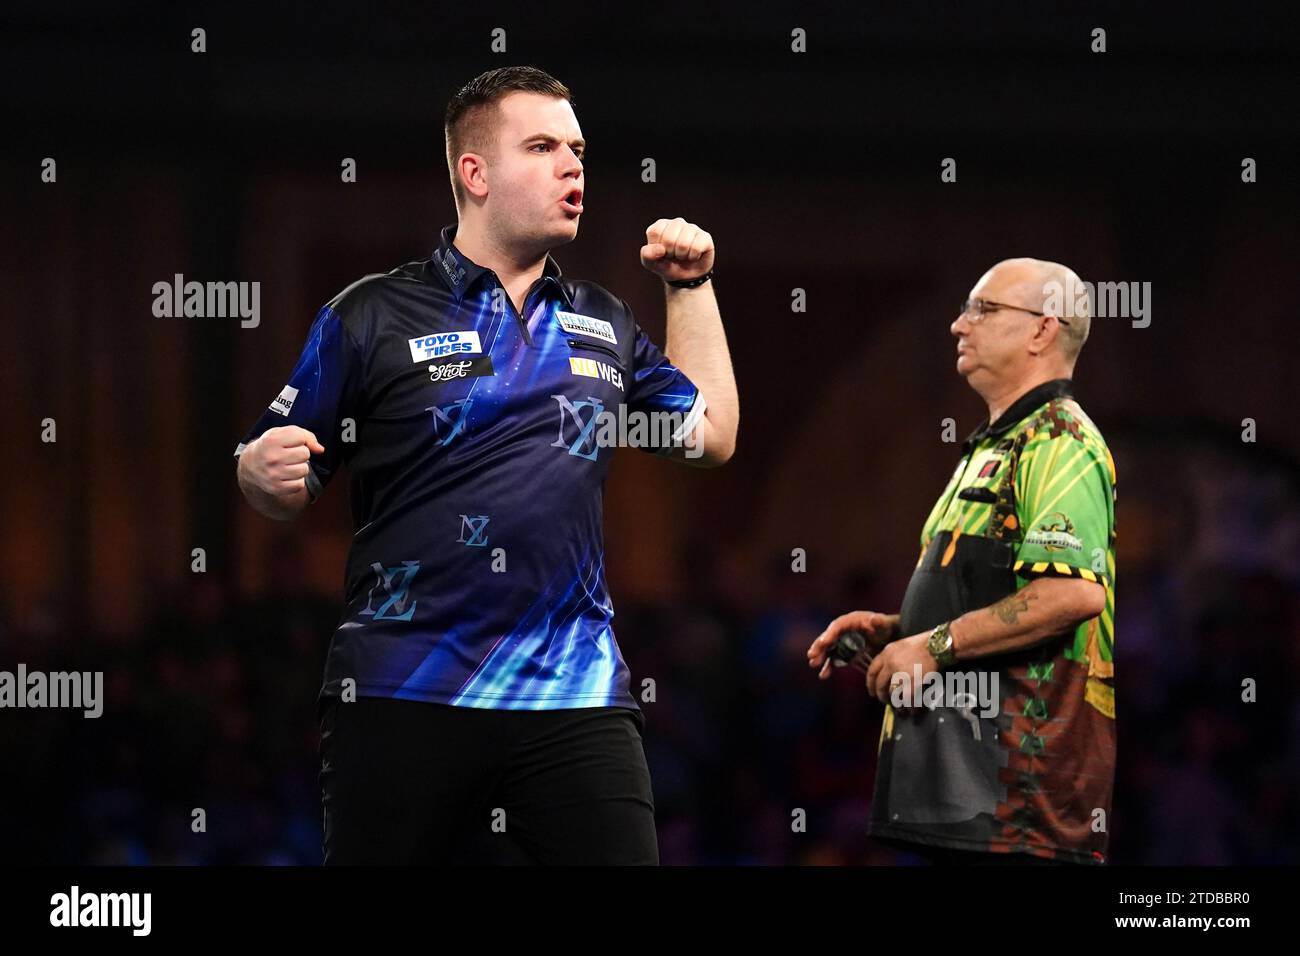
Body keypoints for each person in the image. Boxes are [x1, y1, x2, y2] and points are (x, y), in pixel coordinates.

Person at [234, 65, 738, 864]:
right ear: (475, 173)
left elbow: (707, 437)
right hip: (404, 687)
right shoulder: (369, 314)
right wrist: (256, 472)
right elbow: (274, 471)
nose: (573, 166)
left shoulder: (604, 320)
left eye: (577, 149)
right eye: (541, 147)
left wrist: (691, 287)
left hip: (575, 691)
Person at [808, 258, 1116, 865]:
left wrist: (932, 645)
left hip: (1019, 796)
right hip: (968, 794)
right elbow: (994, 596)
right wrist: (899, 631)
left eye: (983, 309)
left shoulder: (1059, 439)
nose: (958, 325)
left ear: (1041, 330)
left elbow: (1070, 595)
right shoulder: (995, 445)